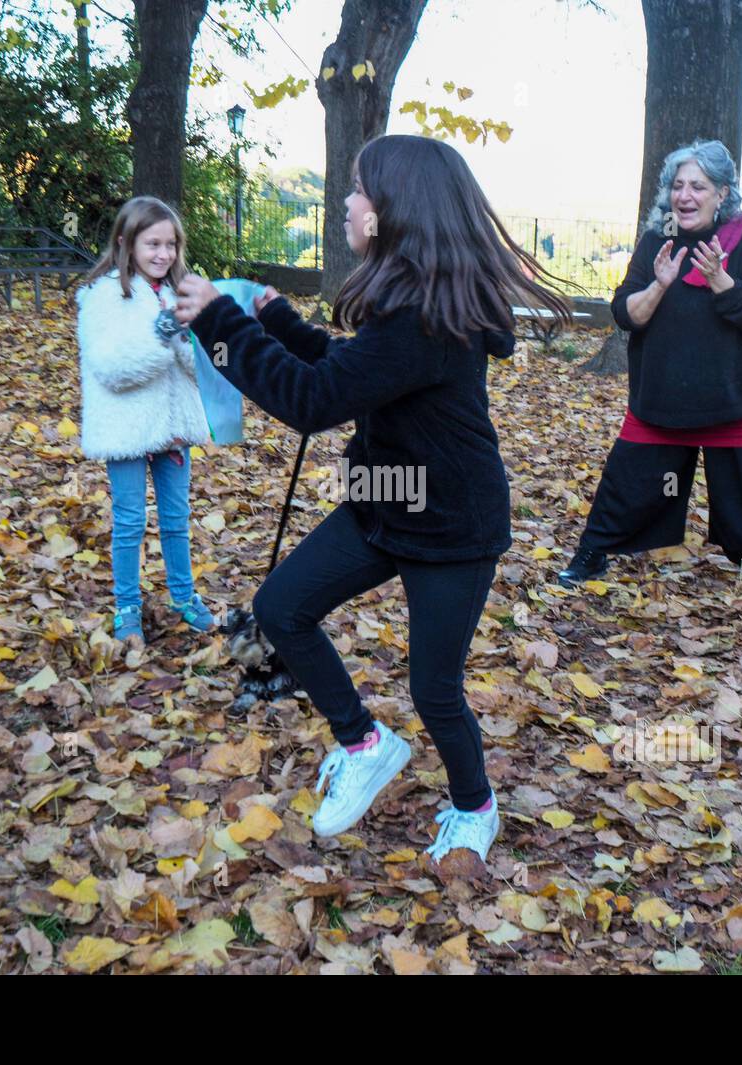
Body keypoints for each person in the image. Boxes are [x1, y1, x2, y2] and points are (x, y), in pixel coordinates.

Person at [174, 135, 571, 864]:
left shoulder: (423, 319)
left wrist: (220, 323)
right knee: (282, 608)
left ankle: (474, 807)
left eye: (358, 190)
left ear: (392, 211)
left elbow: (312, 400)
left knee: (435, 690)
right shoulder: (408, 311)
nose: (348, 202)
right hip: (385, 498)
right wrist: (280, 324)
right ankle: (365, 741)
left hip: (452, 525)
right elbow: (351, 372)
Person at [557, 139, 742, 588]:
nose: (685, 196)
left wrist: (718, 277)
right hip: (664, 395)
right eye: (678, 186)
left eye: (698, 186)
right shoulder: (658, 238)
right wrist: (658, 285)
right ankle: (593, 555)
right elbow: (624, 313)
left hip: (739, 394)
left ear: (723, 194)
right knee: (629, 481)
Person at [76, 196, 216, 649]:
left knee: (177, 518)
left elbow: (204, 372)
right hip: (128, 431)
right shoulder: (103, 298)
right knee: (130, 521)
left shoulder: (183, 294)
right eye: (152, 243)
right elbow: (111, 368)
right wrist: (162, 334)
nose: (163, 254)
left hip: (174, 430)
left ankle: (183, 596)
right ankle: (126, 606)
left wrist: (190, 340)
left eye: (171, 244)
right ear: (126, 242)